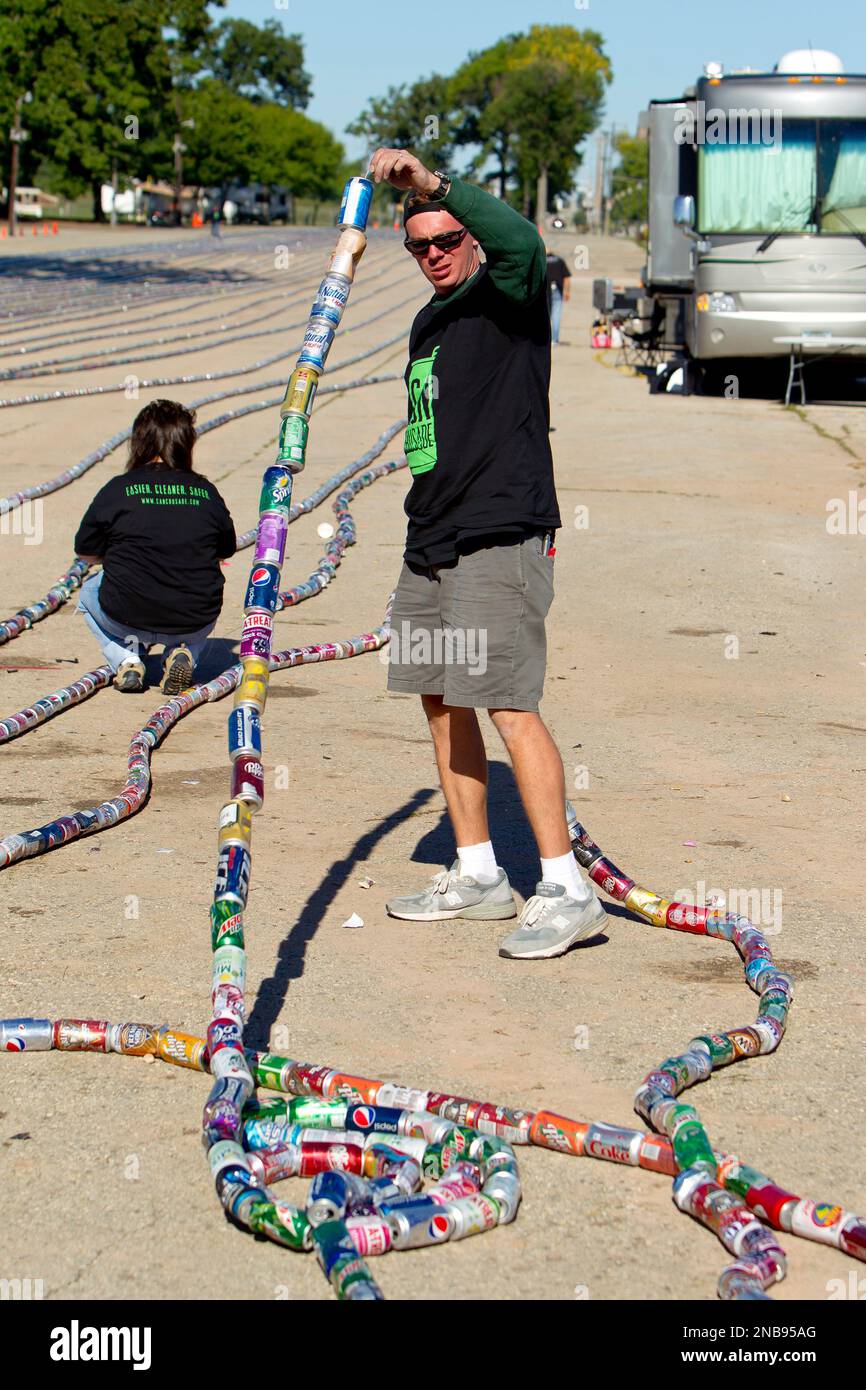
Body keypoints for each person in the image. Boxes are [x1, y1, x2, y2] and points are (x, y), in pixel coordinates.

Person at [368, 147, 606, 961]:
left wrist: (430, 183)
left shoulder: (508, 292)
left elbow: (522, 241)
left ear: (469, 237)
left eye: (445, 237)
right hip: (432, 534)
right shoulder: (428, 321)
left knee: (507, 700)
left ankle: (567, 887)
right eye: (418, 244)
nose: (433, 252)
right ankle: (477, 873)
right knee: (440, 696)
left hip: (500, 529)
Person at [74, 398, 236, 694]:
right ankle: (183, 651)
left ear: (138, 442)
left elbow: (84, 552)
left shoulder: (118, 488)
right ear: (186, 444)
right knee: (203, 595)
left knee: (87, 592)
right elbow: (225, 550)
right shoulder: (206, 491)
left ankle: (126, 660)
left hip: (125, 613)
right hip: (193, 617)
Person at [545, 247, 571, 344]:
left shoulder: (542, 260)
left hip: (545, 291)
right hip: (558, 289)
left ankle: (545, 338)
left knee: (546, 315)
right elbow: (567, 277)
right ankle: (554, 339)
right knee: (556, 315)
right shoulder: (559, 260)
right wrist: (567, 291)